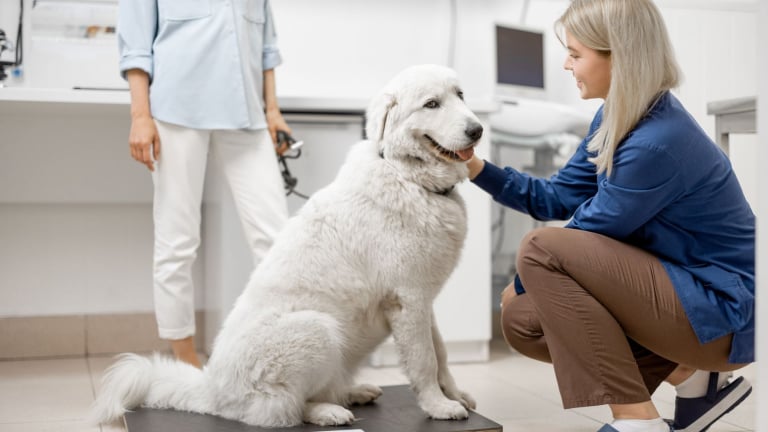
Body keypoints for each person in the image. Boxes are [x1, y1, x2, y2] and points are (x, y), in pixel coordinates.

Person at [467, 0, 754, 431]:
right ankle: (691, 377)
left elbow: (587, 231)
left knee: (539, 248)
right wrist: (474, 167)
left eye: (575, 54)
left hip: (725, 313)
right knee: (522, 321)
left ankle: (636, 420)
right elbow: (556, 197)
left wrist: (521, 281)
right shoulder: (616, 117)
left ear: (619, 56)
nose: (566, 64)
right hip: (682, 296)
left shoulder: (658, 141)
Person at [117, 0, 292, 367]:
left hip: (247, 114)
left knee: (279, 242)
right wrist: (140, 116)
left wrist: (273, 110)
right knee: (177, 242)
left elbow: (266, 44)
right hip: (176, 111)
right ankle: (186, 363)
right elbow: (136, 48)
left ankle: (287, 351)